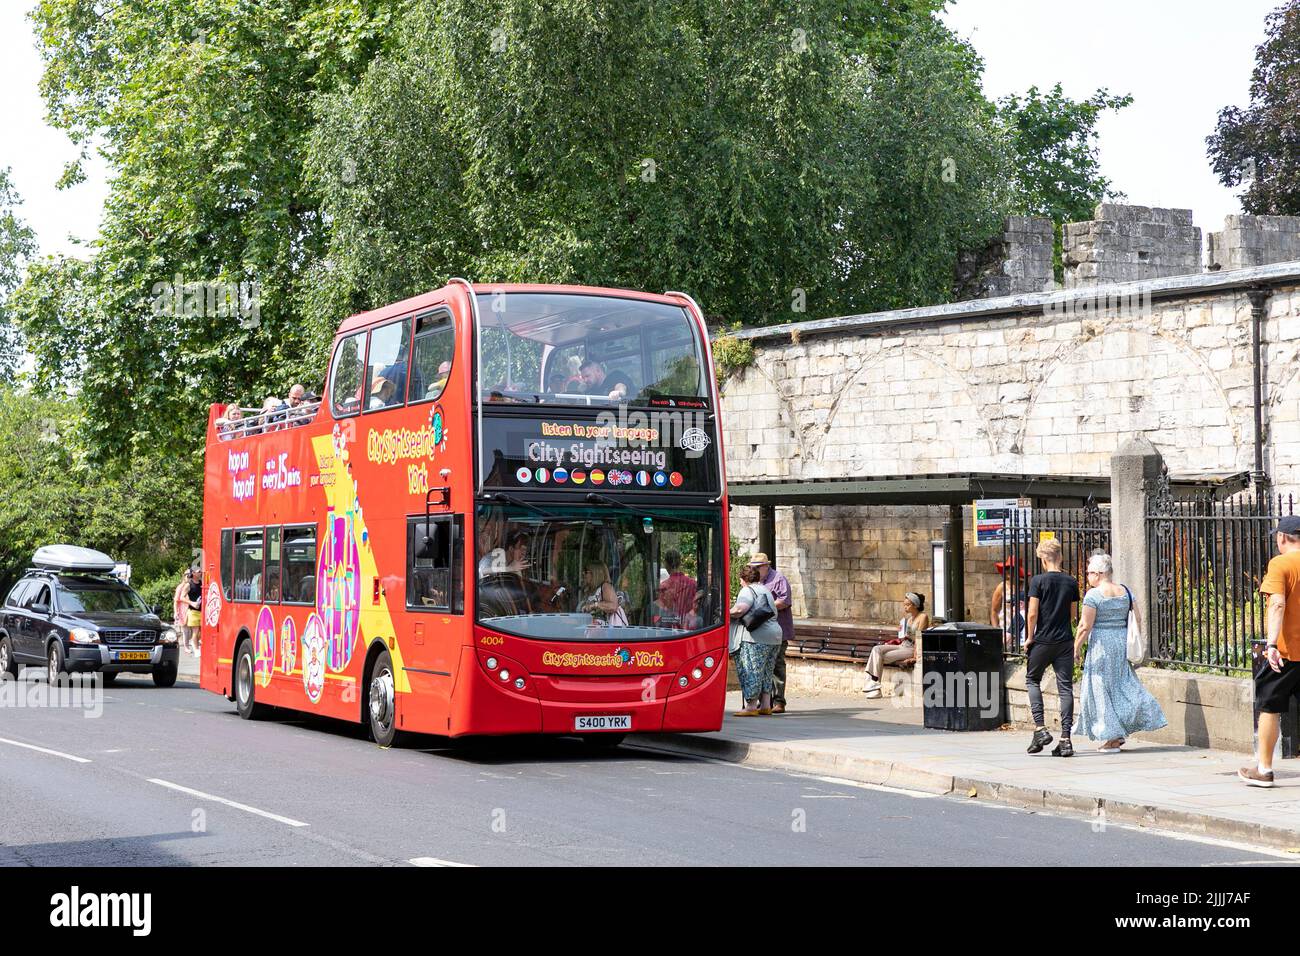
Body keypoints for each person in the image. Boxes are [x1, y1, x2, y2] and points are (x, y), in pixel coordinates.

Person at [1073, 552, 1167, 750]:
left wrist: (1076, 648)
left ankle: (1113, 736)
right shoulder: (1125, 591)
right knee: (1121, 684)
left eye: (1089, 572)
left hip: (1102, 645)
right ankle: (1136, 716)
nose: (1088, 576)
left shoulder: (1093, 595)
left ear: (1098, 574)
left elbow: (1084, 626)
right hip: (1121, 642)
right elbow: (1138, 619)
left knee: (1100, 688)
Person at [1241, 516, 1300, 787]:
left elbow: (1277, 604)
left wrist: (1271, 645)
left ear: (1283, 538)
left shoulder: (1280, 564)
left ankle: (1264, 769)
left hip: (1288, 652)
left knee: (1270, 707)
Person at [1024, 537, 1079, 756]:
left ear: (1044, 559)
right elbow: (1073, 614)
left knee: (1031, 679)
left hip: (1044, 640)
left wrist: (1030, 637)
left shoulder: (1038, 581)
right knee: (1065, 688)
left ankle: (1040, 728)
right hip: (1065, 640)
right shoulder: (1071, 581)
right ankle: (1065, 739)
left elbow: (1032, 613)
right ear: (1060, 556)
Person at [729, 564, 784, 716]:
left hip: (756, 638)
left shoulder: (747, 590)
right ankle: (766, 705)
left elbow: (740, 609)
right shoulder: (765, 589)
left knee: (751, 669)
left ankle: (751, 706)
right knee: (766, 672)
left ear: (743, 579)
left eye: (740, 580)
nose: (740, 583)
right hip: (775, 637)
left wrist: (725, 613)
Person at [749, 553, 794, 713]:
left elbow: (785, 601)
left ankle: (779, 701)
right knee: (763, 666)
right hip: (761, 631)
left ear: (766, 566)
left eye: (756, 567)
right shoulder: (756, 581)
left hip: (778, 630)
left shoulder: (778, 579)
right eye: (752, 567)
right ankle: (765, 702)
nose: (753, 570)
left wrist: (766, 608)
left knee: (777, 665)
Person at [863, 592, 930, 699]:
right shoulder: (909, 619)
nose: (905, 607)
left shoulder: (923, 617)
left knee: (880, 658)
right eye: (904, 605)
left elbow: (919, 638)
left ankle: (875, 686)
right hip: (903, 645)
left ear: (915, 605)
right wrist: (901, 633)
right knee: (876, 649)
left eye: (907, 605)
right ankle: (874, 683)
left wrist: (915, 657)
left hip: (912, 648)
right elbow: (906, 636)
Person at [991, 556, 1027, 649]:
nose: (1008, 573)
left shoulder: (1025, 586)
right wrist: (996, 631)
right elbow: (994, 611)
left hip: (1021, 630)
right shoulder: (1001, 587)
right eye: (1007, 569)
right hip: (1005, 630)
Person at [581, 562, 627, 627]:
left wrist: (595, 605)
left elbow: (613, 606)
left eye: (586, 571)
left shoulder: (605, 586)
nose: (583, 573)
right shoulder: (590, 590)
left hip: (605, 633)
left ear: (595, 573)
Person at [173, 570, 194, 655]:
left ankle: (192, 643)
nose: (188, 577)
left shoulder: (192, 585)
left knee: (193, 630)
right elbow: (176, 600)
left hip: (192, 609)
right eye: (187, 575)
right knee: (186, 630)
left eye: (190, 575)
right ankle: (186, 647)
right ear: (184, 576)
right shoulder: (180, 587)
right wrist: (175, 612)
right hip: (183, 610)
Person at [186, 569, 204, 657]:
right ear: (193, 573)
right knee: (195, 631)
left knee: (202, 632)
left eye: (200, 571)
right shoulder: (189, 584)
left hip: (202, 611)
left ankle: (194, 643)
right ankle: (196, 649)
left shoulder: (202, 583)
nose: (200, 572)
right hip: (193, 611)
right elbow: (181, 597)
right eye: (198, 571)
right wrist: (192, 603)